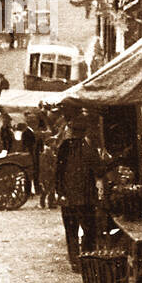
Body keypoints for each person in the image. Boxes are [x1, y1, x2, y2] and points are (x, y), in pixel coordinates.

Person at [55, 114, 111, 270]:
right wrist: (110, 162)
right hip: (85, 199)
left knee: (71, 232)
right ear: (84, 132)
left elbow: (57, 172)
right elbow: (99, 171)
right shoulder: (89, 148)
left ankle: (75, 262)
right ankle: (87, 261)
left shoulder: (64, 148)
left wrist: (60, 192)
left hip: (69, 198)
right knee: (89, 231)